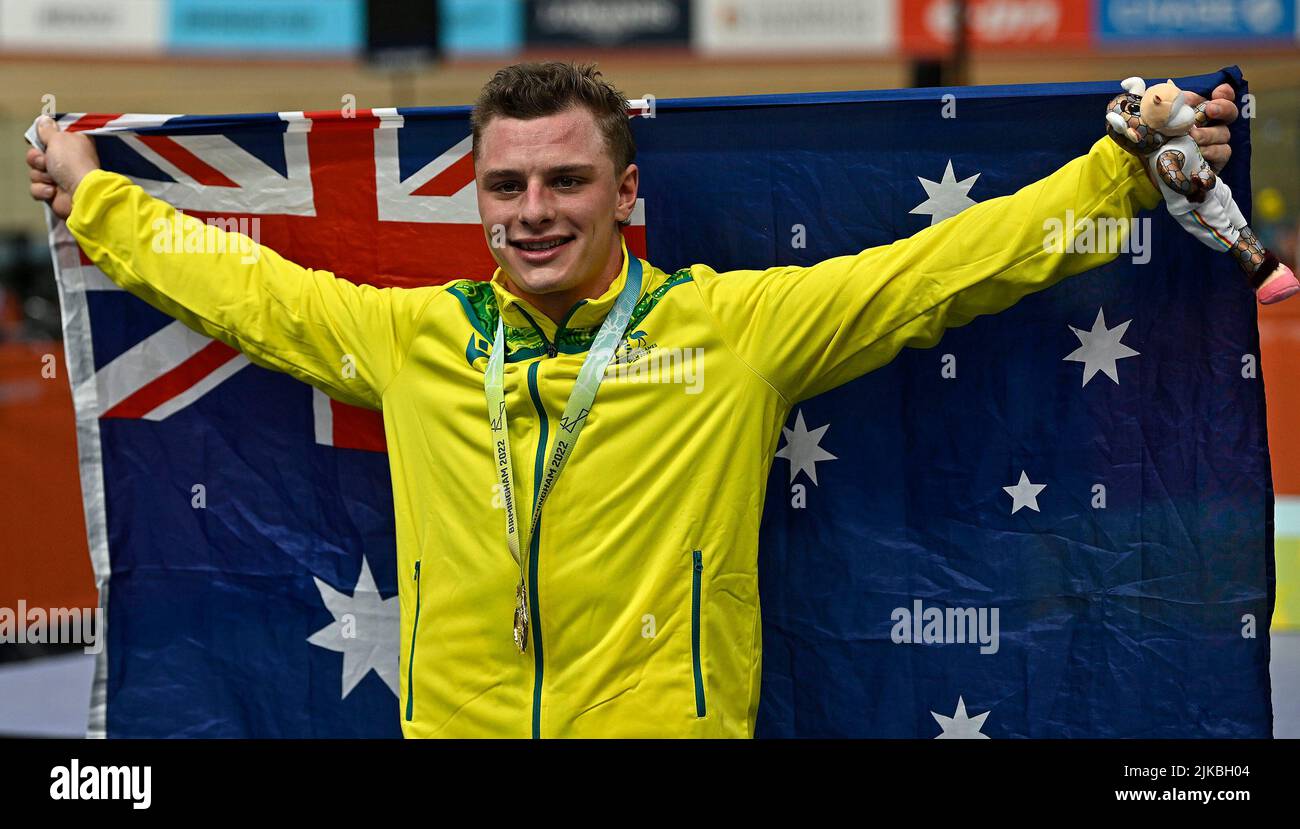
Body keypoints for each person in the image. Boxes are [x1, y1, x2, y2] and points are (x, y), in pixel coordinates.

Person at [27, 62, 1238, 738]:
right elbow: (253, 292)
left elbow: (934, 274)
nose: (534, 210)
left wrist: (1111, 170)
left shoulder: (732, 333)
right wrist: (96, 200)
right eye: (506, 185)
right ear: (478, 199)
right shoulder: (416, 339)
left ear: (624, 190)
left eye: (565, 179)